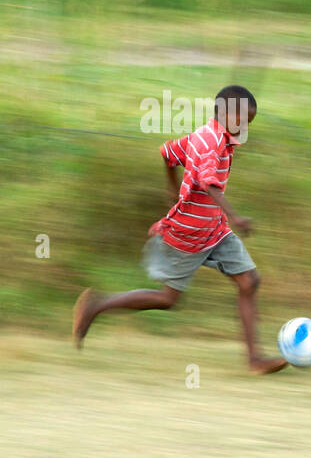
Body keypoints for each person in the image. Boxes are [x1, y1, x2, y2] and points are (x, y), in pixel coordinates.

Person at [73, 85, 285, 374]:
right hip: (189, 232)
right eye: (244, 121)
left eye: (250, 123)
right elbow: (209, 182)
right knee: (167, 299)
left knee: (249, 282)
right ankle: (96, 305)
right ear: (227, 115)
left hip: (215, 230)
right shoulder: (210, 143)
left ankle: (254, 360)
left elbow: (168, 152)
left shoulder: (208, 135)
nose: (246, 128)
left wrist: (172, 187)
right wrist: (236, 216)